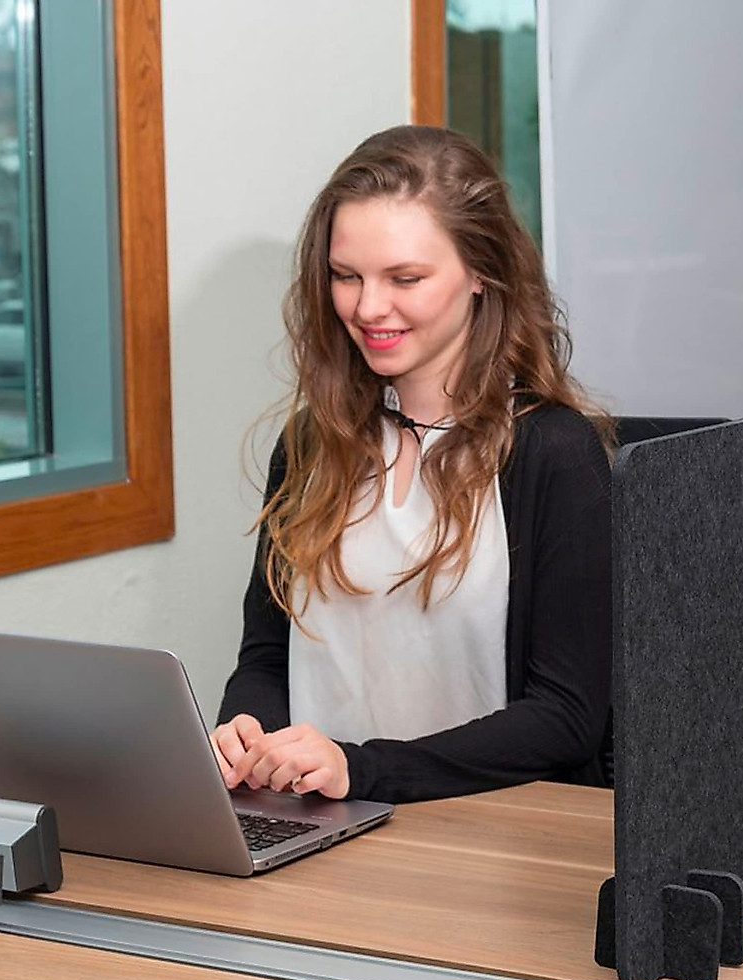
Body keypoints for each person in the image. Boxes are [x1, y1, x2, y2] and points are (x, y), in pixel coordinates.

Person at [212, 125, 612, 805]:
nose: (368, 307)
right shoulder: (312, 443)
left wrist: (362, 770)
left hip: (491, 830)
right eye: (346, 276)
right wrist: (248, 729)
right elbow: (268, 656)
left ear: (481, 272)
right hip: (323, 816)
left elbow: (566, 718)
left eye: (405, 278)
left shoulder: (553, 452)